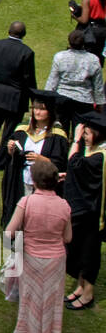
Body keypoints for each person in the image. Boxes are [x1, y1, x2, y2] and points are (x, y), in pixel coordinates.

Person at [7, 158, 73, 333]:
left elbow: (9, 232)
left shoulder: (26, 202)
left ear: (34, 181)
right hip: (55, 262)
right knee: (51, 307)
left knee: (29, 303)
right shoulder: (64, 206)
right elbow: (68, 237)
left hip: (31, 259)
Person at [0, 90, 68, 227]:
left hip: (43, 182)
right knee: (19, 209)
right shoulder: (22, 130)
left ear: (50, 112)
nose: (37, 112)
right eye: (35, 108)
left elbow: (61, 163)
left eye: (42, 109)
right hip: (21, 177)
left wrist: (42, 159)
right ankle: (16, 240)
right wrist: (11, 149)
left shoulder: (57, 136)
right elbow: (11, 157)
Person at [63, 112, 106, 311]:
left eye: (88, 133)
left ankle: (88, 293)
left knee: (89, 253)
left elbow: (75, 164)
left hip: (94, 214)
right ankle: (80, 286)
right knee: (80, 249)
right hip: (86, 211)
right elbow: (77, 171)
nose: (85, 137)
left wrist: (76, 140)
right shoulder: (95, 151)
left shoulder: (100, 156)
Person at [0, 21, 38, 161]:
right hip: (16, 96)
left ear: (9, 31)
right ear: (24, 34)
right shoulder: (27, 52)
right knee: (10, 129)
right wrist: (34, 99)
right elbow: (28, 78)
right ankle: (2, 158)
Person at [44, 29, 106, 136]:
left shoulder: (60, 57)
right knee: (80, 134)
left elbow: (52, 81)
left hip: (62, 99)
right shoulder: (93, 60)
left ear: (69, 42)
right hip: (84, 102)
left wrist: (46, 99)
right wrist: (100, 105)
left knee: (61, 133)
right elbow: (98, 87)